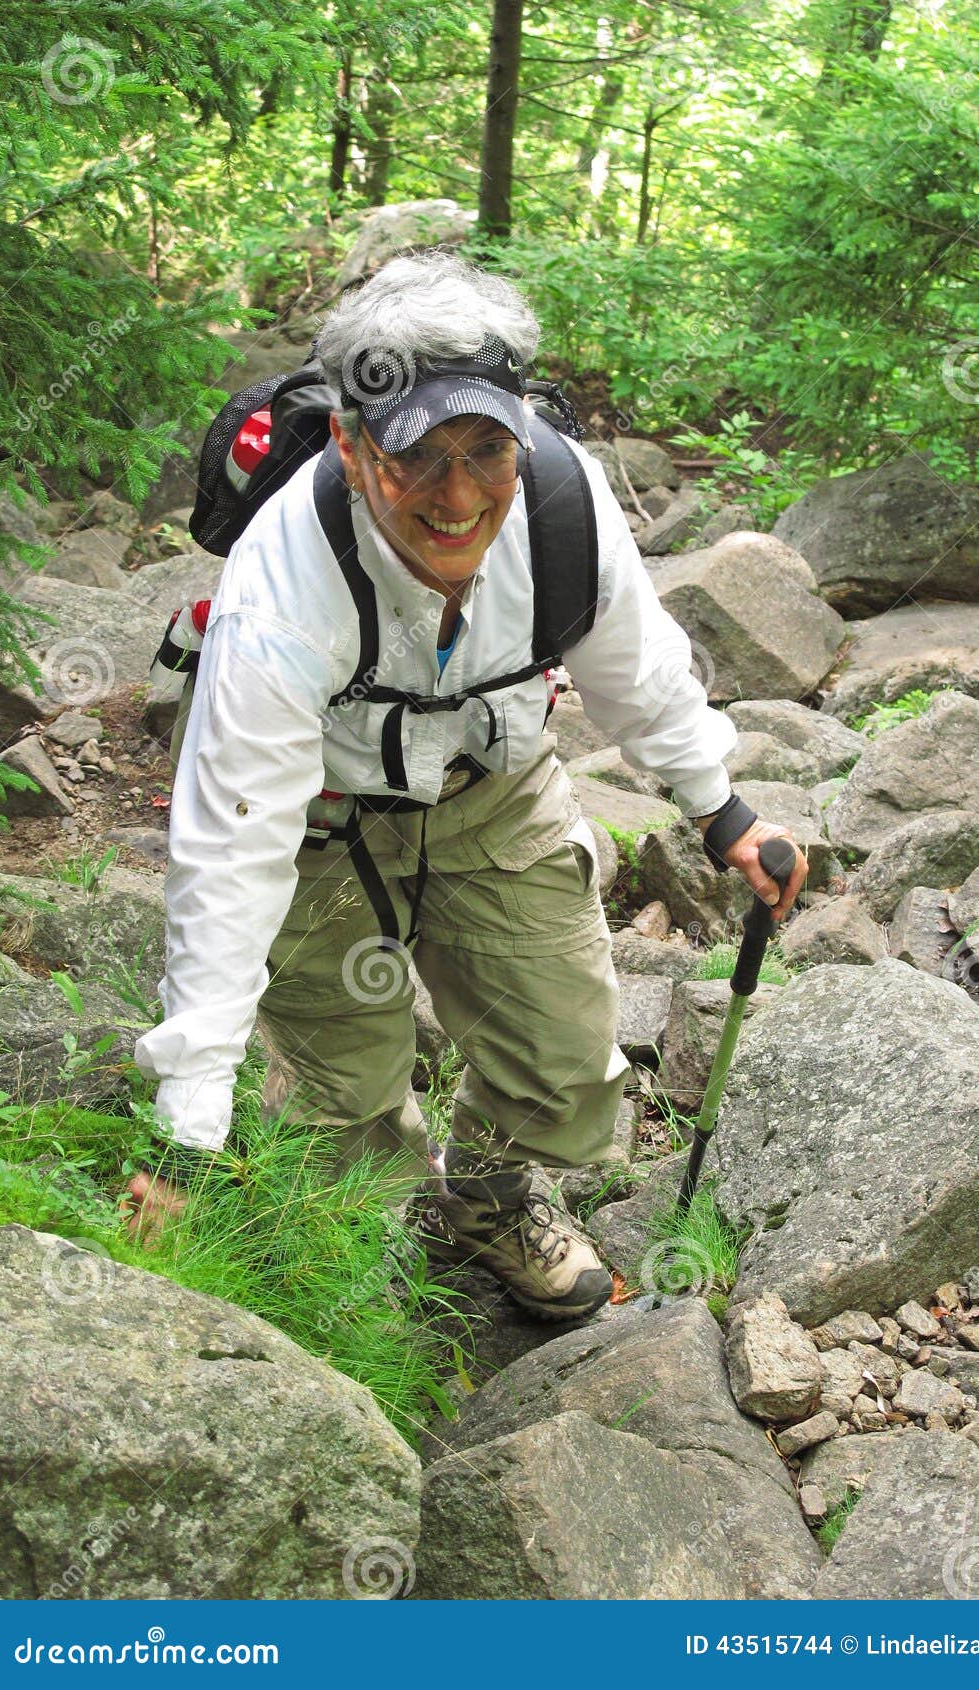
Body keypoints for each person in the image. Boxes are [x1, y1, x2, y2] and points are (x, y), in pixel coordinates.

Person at [123, 252, 807, 1322]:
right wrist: (187, 1124)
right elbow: (229, 845)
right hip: (317, 821)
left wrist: (718, 806)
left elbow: (631, 664)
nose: (457, 497)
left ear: (521, 430)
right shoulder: (281, 591)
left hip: (493, 785)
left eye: (485, 450)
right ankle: (356, 1236)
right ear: (351, 447)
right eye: (416, 458)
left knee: (569, 1068)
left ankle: (484, 1198)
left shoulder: (559, 498)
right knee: (342, 1099)